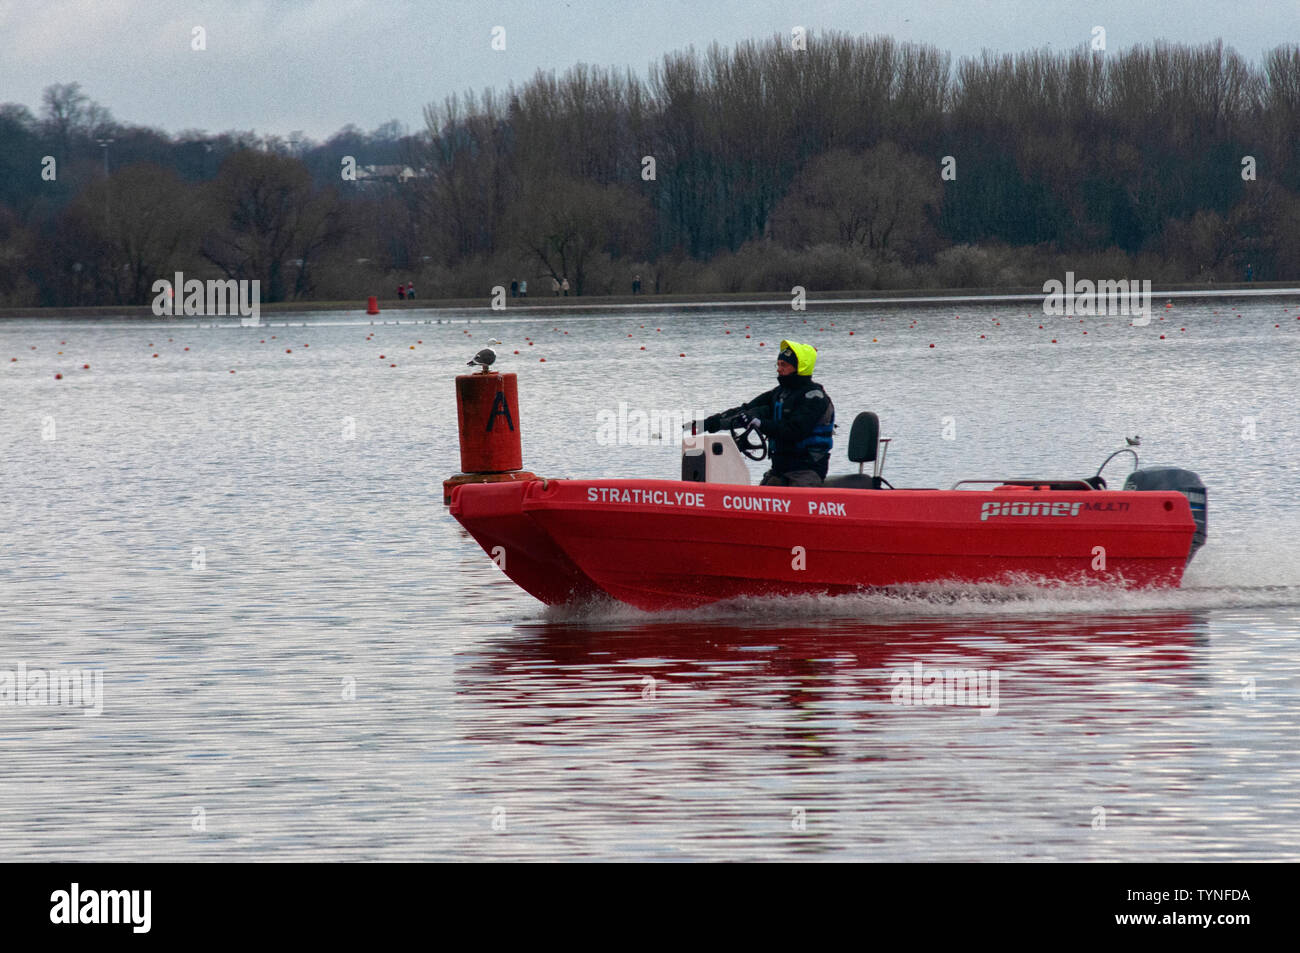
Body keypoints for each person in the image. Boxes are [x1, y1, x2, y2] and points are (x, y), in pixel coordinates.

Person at [702, 340, 834, 487]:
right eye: (777, 364)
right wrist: (709, 423)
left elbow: (795, 431)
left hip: (807, 470)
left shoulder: (814, 398)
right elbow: (746, 411)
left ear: (799, 367)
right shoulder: (778, 394)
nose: (778, 369)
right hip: (780, 469)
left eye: (783, 365)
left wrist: (761, 424)